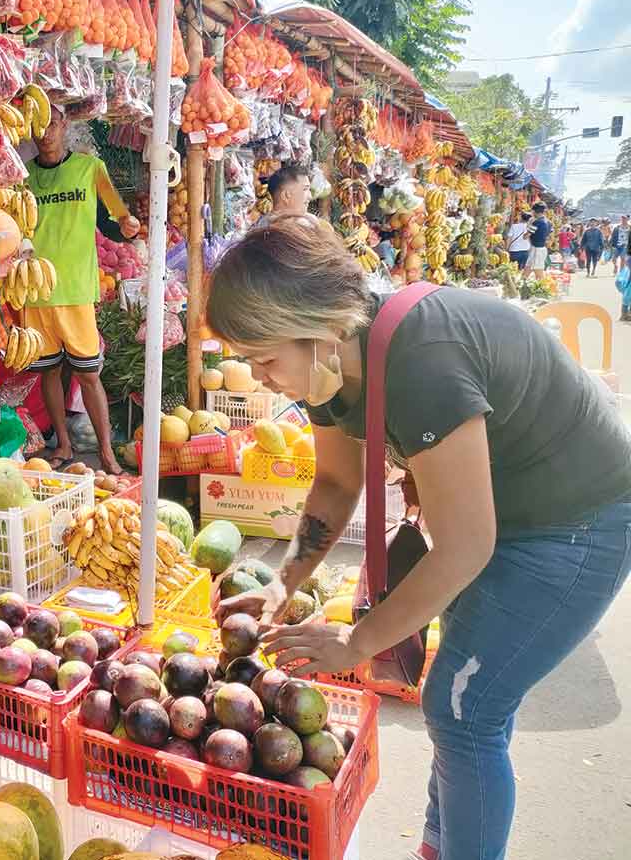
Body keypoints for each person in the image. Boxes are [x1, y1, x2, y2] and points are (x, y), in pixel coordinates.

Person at [207, 217, 631, 860]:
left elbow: (465, 545)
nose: (262, 378)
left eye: (265, 359)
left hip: (578, 522)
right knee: (465, 701)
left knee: (465, 711)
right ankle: (442, 844)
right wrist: (279, 585)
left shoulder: (421, 361)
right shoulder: (333, 361)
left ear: (320, 330)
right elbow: (335, 485)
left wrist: (356, 641)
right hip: (505, 515)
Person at [24, 104, 140, 473]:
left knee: (89, 374)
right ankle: (63, 443)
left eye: (53, 124)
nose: (46, 133)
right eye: (39, 126)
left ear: (64, 126)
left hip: (76, 289)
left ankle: (105, 451)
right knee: (49, 372)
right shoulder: (23, 179)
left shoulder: (90, 169)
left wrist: (128, 226)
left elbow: (114, 219)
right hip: (36, 291)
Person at [525, 201, 551, 279]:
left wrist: (529, 224)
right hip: (541, 248)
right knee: (527, 268)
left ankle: (543, 288)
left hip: (537, 249)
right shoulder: (548, 222)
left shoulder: (536, 222)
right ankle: (521, 284)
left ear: (534, 211)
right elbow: (549, 236)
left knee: (538, 273)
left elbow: (525, 236)